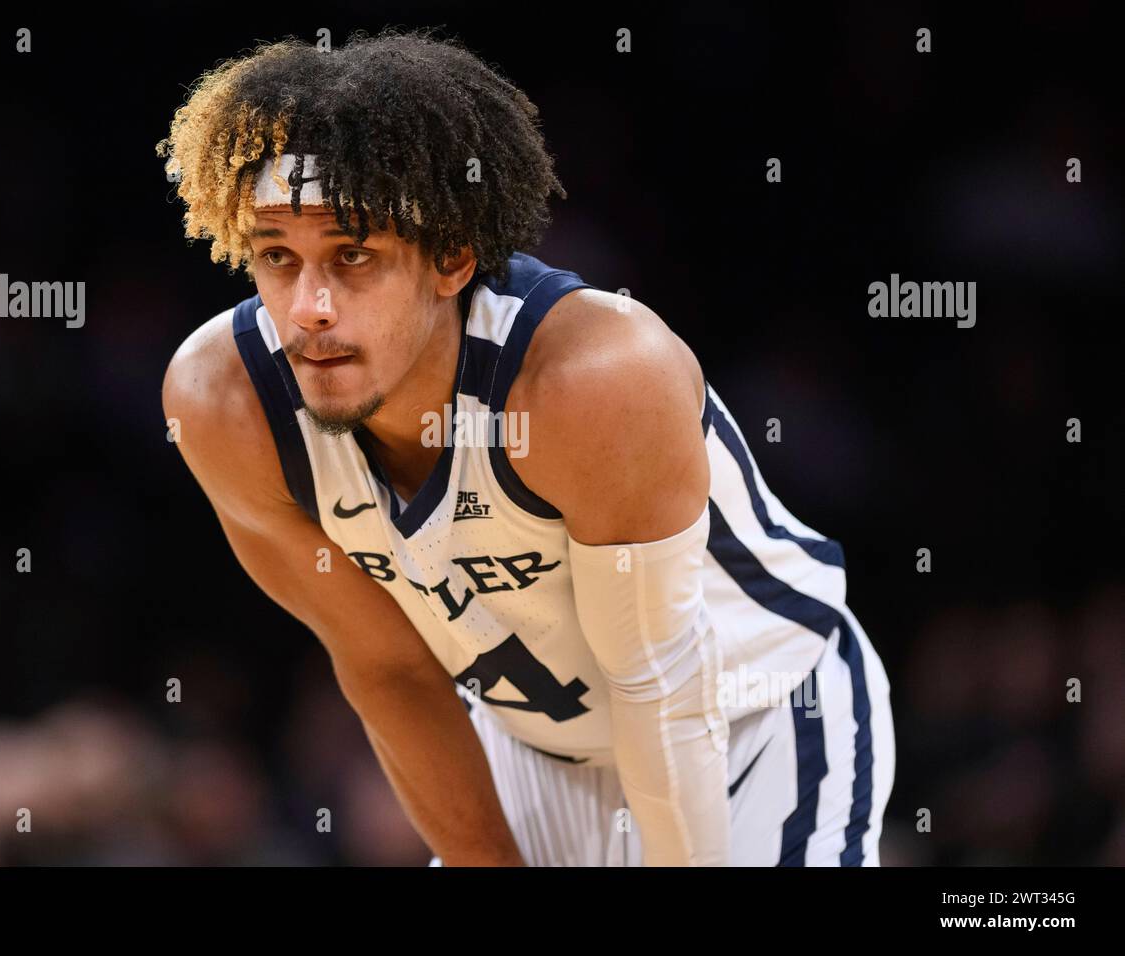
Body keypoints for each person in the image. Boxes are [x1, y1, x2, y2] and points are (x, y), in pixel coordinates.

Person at [157, 29, 894, 866]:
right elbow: (389, 672)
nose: (309, 308)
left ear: (452, 257)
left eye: (353, 255)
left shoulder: (594, 381)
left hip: (749, 718)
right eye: (277, 258)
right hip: (537, 748)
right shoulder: (224, 403)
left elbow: (660, 686)